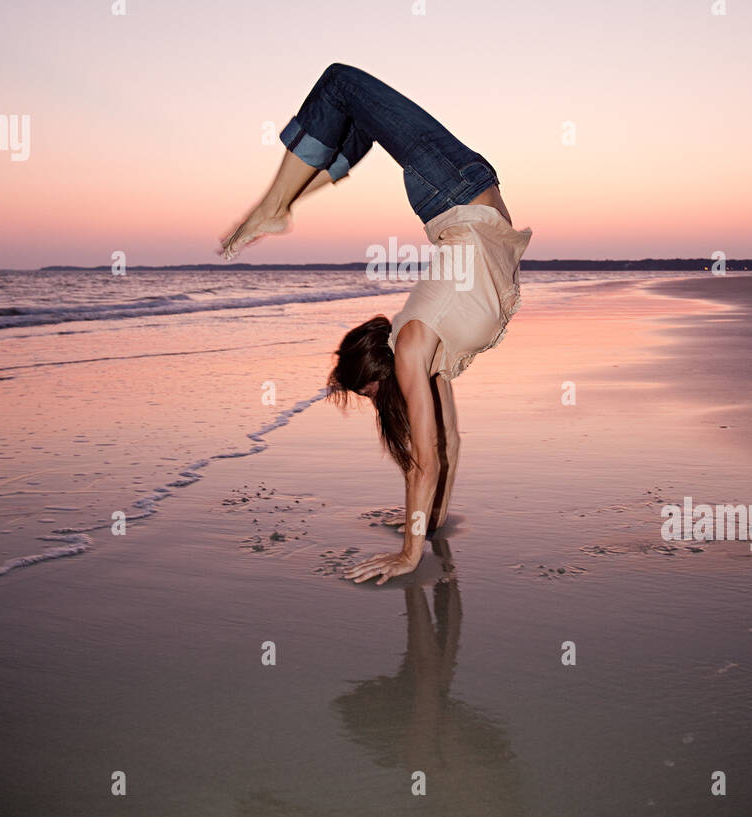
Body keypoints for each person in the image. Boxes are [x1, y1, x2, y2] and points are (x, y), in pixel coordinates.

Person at [221, 62, 532, 584]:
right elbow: (446, 443)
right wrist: (426, 523)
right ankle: (289, 197)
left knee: (342, 87)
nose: (372, 400)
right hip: (458, 193)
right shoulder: (424, 352)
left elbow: (429, 460)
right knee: (347, 101)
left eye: (364, 393)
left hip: (455, 191)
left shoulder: (416, 349)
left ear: (376, 373)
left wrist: (412, 552)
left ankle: (278, 205)